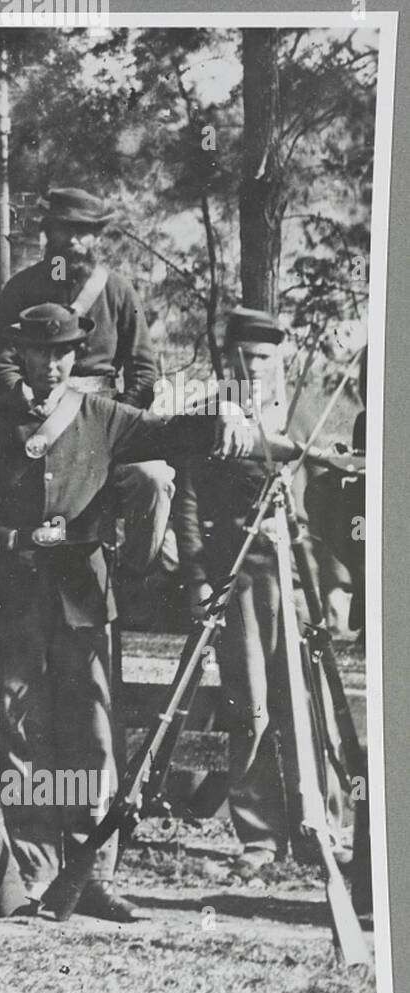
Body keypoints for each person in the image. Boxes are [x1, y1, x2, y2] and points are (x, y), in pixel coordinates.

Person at [0, 303, 280, 921]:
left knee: (91, 738)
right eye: (41, 353)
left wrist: (223, 411)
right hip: (15, 596)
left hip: (82, 596)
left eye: (65, 353)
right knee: (24, 736)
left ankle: (91, 872)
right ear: (21, 355)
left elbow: (167, 431)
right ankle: (33, 871)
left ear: (76, 357)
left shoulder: (100, 414)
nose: (53, 365)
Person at [173, 307, 347, 881]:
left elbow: (330, 502)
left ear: (280, 360)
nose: (254, 367)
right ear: (229, 360)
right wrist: (198, 576)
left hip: (296, 578)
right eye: (244, 357)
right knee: (250, 705)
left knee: (309, 705)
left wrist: (334, 579)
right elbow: (190, 501)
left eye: (265, 358)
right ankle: (258, 836)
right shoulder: (210, 415)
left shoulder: (308, 418)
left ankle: (320, 826)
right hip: (240, 576)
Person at [0, 187, 174, 586]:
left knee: (153, 478)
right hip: (36, 424)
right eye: (63, 229)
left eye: (84, 231)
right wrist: (23, 398)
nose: (73, 240)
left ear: (98, 237)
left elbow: (143, 371)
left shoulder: (119, 291)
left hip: (103, 426)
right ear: (47, 231)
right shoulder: (20, 290)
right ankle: (2, 579)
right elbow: (1, 364)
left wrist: (115, 424)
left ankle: (134, 577)